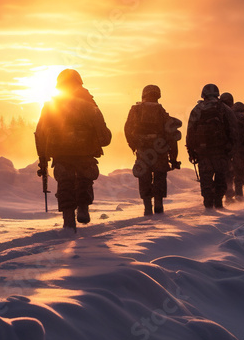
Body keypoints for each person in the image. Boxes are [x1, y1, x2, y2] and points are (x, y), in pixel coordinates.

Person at [35, 69, 112, 232]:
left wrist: (43, 158)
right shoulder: (90, 105)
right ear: (79, 83)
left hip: (61, 154)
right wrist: (101, 141)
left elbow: (40, 133)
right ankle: (83, 207)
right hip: (85, 154)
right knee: (85, 180)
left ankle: (68, 219)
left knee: (65, 183)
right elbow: (104, 135)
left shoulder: (51, 105)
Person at [123, 84, 181, 215]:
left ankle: (147, 206)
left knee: (144, 177)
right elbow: (171, 135)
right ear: (158, 95)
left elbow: (127, 129)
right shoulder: (162, 112)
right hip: (160, 152)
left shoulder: (135, 110)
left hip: (142, 151)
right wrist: (173, 157)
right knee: (160, 175)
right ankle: (158, 204)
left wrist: (134, 144)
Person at [186, 84, 236, 209]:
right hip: (221, 152)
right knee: (221, 177)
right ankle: (218, 202)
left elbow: (190, 131)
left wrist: (191, 151)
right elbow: (233, 130)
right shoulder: (224, 108)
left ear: (203, 94)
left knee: (206, 179)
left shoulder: (197, 109)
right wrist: (231, 149)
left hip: (203, 152)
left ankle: (208, 205)